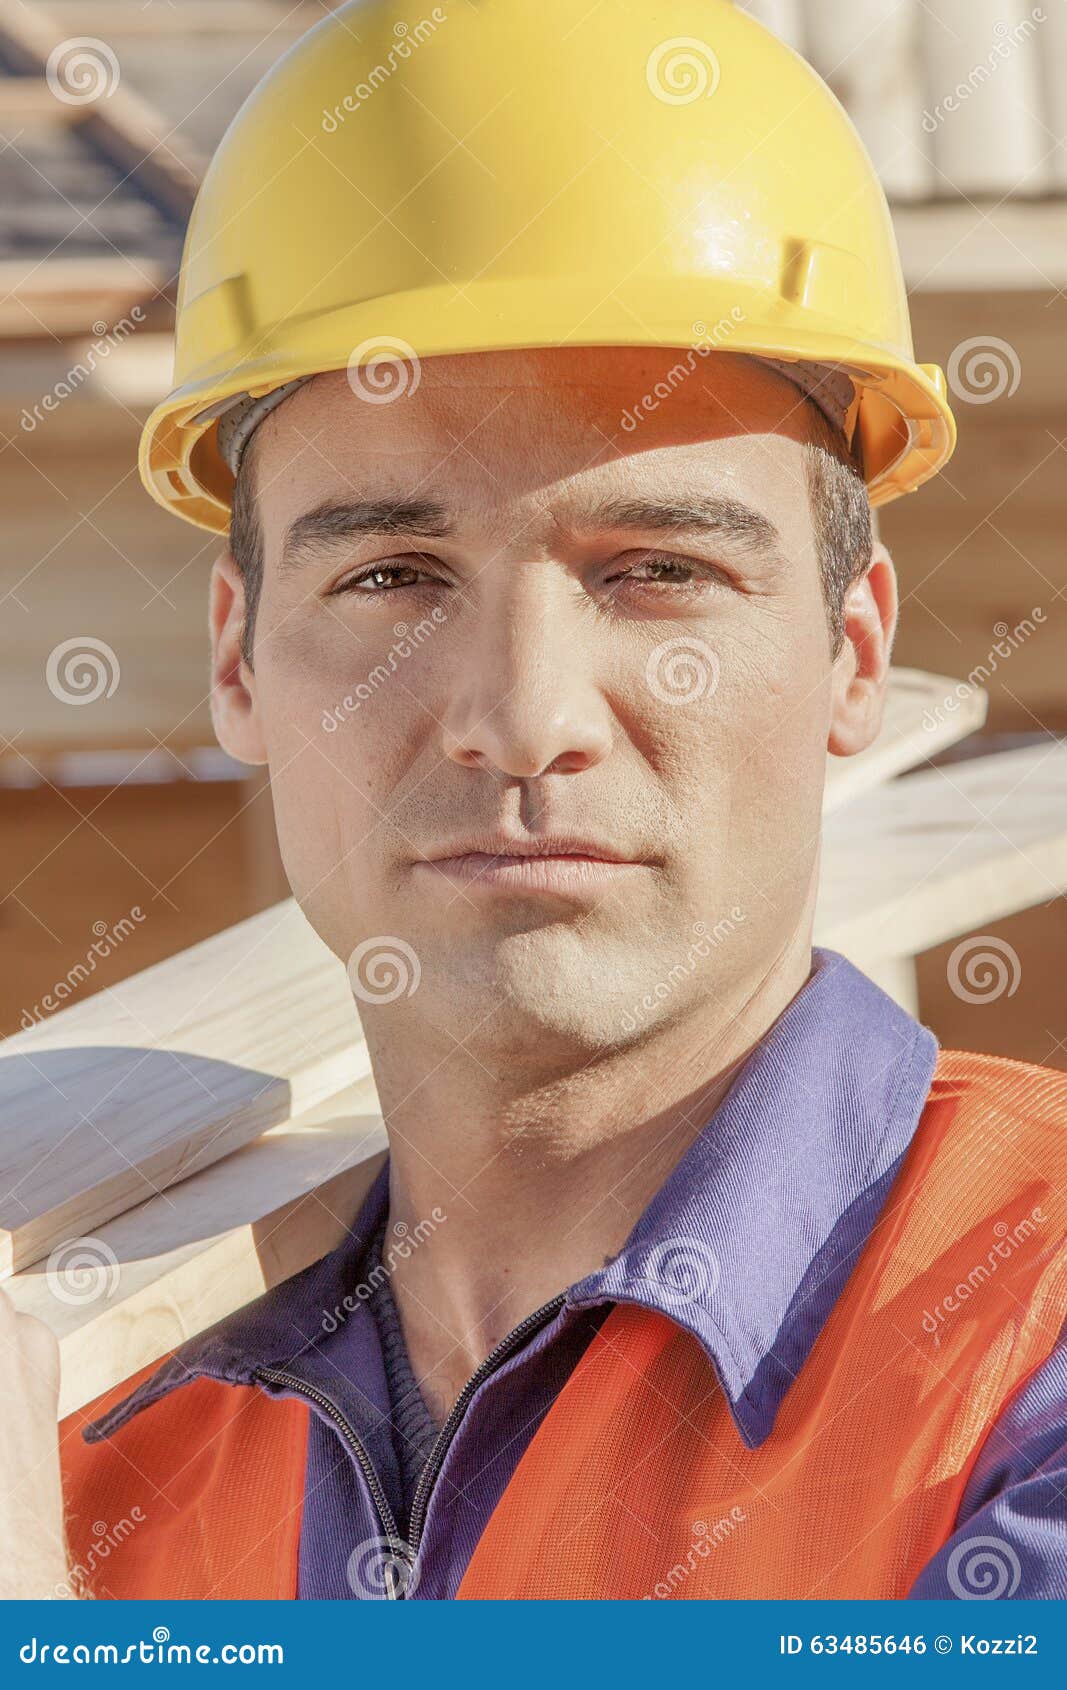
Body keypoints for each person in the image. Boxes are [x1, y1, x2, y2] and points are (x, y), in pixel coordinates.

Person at [5, 0, 1065, 1601]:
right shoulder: (93, 1463)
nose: (521, 720)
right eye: (392, 575)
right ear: (237, 662)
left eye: (658, 569)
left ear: (853, 653)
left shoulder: (1030, 1326)